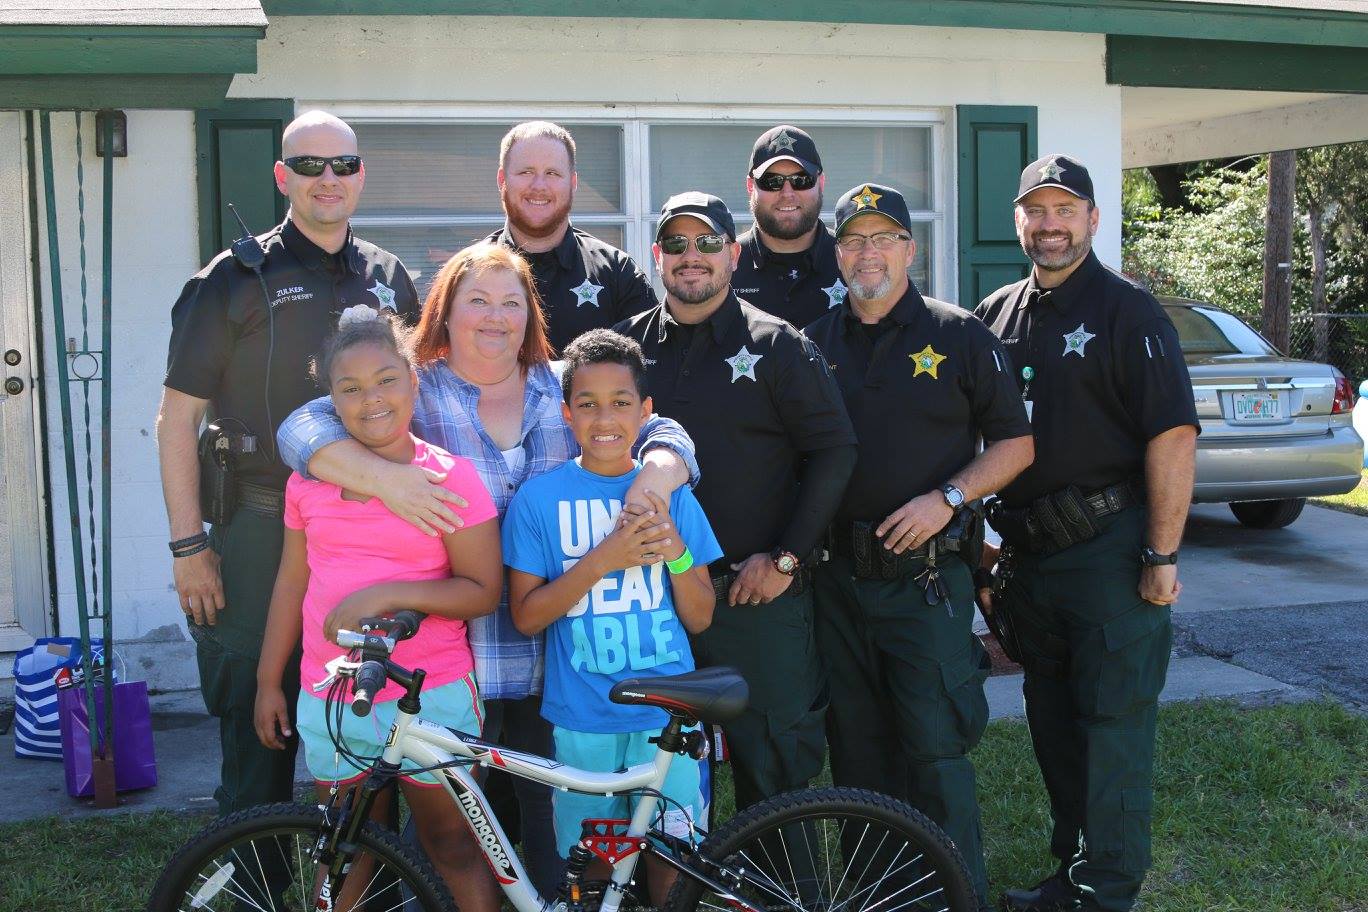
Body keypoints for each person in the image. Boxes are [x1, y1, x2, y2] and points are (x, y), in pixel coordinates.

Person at [275, 242, 697, 896]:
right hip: (457, 659)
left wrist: (663, 471)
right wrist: (383, 478)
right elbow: (304, 426)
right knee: (447, 838)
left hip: (558, 657)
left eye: (511, 302)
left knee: (555, 832)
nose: (495, 316)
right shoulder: (413, 388)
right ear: (444, 313)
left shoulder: (564, 387)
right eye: (478, 300)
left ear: (531, 316)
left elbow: (655, 423)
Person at [157, 110, 419, 817]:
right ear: (282, 176)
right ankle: (260, 884)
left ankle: (375, 891)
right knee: (255, 734)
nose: (326, 179)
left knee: (372, 733)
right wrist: (189, 548)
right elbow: (177, 418)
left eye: (342, 165)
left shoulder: (390, 277)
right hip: (262, 531)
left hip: (372, 530)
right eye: (308, 165)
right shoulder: (233, 279)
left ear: (361, 174)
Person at [974, 155, 1199, 912]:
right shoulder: (995, 315)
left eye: (1065, 210)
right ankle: (1070, 873)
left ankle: (1105, 891)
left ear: (1094, 220)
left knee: (1113, 732)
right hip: (1030, 561)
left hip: (1109, 555)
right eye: (1036, 211)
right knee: (1056, 726)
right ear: (1019, 223)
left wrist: (1162, 554)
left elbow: (1172, 437)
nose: (1050, 224)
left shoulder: (1128, 313)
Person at [804, 183, 1035, 909]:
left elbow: (1017, 444)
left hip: (924, 584)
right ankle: (877, 896)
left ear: (910, 248)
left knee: (934, 748)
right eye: (852, 241)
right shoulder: (811, 342)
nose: (867, 253)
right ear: (837, 253)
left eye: (882, 239)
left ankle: (954, 894)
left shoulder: (960, 334)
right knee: (859, 754)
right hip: (838, 584)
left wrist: (949, 499)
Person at [615, 192, 858, 813]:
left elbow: (835, 451)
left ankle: (774, 896)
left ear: (733, 253)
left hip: (753, 596)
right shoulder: (623, 351)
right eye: (676, 244)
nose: (690, 257)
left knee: (772, 767)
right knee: (647, 763)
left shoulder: (778, 346)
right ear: (658, 255)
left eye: (706, 244)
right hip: (648, 600)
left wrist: (785, 559)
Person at [254, 308, 502, 912]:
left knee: (450, 844)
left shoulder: (450, 477)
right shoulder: (308, 483)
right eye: (351, 388)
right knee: (344, 844)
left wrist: (387, 597)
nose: (373, 399)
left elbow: (481, 590)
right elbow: (291, 583)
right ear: (329, 403)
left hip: (430, 689)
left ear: (415, 383)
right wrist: (268, 680)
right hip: (332, 688)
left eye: (388, 379)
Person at [504, 329, 722, 906]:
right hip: (582, 721)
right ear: (565, 413)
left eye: (622, 402)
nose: (605, 417)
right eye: (588, 403)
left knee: (672, 864)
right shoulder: (537, 500)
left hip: (669, 720)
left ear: (646, 411)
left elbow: (700, 618)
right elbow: (526, 617)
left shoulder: (671, 493)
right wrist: (605, 559)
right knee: (592, 873)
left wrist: (674, 549)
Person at [486, 121, 657, 352]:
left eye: (553, 173)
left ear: (573, 183)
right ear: (501, 180)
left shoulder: (617, 274)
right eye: (526, 172)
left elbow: (650, 369)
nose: (539, 185)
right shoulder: (467, 274)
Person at [732, 125, 845, 329]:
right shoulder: (723, 265)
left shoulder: (852, 260)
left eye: (801, 180)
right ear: (751, 186)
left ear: (821, 183)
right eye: (772, 181)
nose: (787, 193)